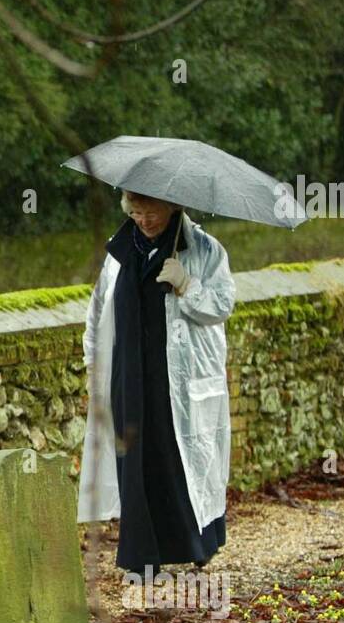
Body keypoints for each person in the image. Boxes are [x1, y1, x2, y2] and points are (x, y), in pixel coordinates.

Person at [77, 190, 234, 577]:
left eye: (152, 212)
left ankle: (196, 544)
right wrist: (92, 364)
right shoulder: (120, 253)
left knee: (180, 459)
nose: (144, 221)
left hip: (178, 377)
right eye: (136, 212)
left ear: (173, 206)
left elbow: (222, 306)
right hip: (129, 376)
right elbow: (98, 312)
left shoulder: (203, 250)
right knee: (136, 464)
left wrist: (186, 285)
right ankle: (141, 560)